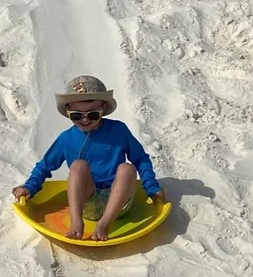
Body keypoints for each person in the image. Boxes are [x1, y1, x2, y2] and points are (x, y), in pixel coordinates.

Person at [12, 75, 164, 241]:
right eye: (77, 116)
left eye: (92, 114)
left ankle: (104, 223)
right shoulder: (67, 138)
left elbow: (140, 159)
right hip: (86, 204)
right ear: (68, 111)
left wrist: (151, 187)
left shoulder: (119, 130)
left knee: (127, 169)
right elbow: (45, 166)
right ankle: (76, 222)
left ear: (102, 108)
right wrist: (29, 187)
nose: (84, 120)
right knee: (78, 166)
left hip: (118, 203)